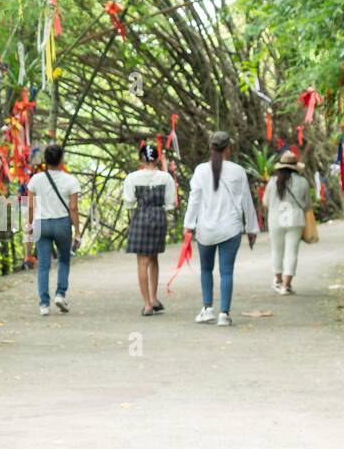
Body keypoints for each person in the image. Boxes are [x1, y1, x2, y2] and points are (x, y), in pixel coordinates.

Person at [182, 130, 259, 326]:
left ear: (210, 148)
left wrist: (188, 226)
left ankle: (207, 309)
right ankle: (224, 314)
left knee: (206, 269)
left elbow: (194, 199)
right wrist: (252, 228)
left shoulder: (200, 170)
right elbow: (247, 201)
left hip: (205, 229)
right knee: (227, 272)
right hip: (230, 229)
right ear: (228, 149)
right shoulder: (237, 170)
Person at [122, 142, 177, 316]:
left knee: (142, 261)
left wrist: (134, 218)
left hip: (141, 215)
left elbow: (129, 202)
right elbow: (170, 204)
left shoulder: (132, 177)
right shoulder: (166, 177)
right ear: (157, 158)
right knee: (154, 258)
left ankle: (147, 304)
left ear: (141, 159)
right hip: (158, 216)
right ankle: (154, 298)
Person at [27, 143, 81, 316]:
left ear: (45, 161)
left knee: (43, 264)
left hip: (41, 223)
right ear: (61, 159)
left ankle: (44, 304)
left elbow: (30, 207)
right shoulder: (70, 180)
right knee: (64, 260)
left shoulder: (36, 179)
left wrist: (28, 225)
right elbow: (73, 208)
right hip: (62, 224)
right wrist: (78, 231)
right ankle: (60, 294)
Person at [265, 150, 312, 295]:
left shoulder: (273, 182)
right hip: (295, 220)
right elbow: (307, 204)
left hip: (275, 219)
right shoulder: (303, 182)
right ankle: (286, 285)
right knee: (292, 252)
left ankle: (278, 281)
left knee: (276, 251)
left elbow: (265, 202)